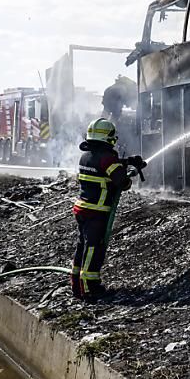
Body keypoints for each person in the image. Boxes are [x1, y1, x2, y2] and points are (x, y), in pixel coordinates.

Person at [71, 117, 146, 301]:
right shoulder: (107, 159)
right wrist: (129, 174)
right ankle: (89, 288)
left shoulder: (86, 156)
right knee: (93, 249)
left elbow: (105, 165)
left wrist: (127, 161)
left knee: (82, 247)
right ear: (108, 138)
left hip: (82, 209)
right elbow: (122, 182)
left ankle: (76, 284)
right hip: (96, 212)